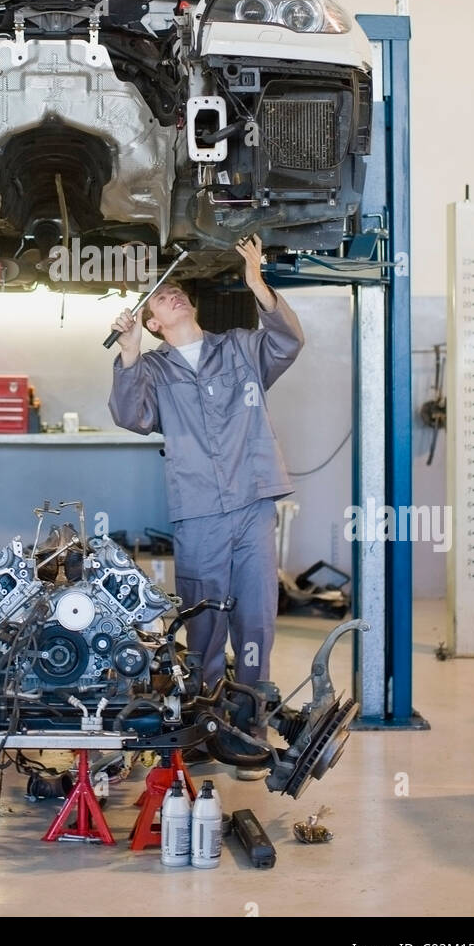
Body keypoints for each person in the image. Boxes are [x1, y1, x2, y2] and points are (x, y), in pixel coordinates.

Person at [108, 236, 304, 770]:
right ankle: (202, 723)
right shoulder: (152, 369)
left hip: (253, 502)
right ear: (152, 324)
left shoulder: (240, 347)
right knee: (204, 620)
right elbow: (132, 416)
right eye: (158, 298)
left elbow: (287, 343)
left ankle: (251, 723)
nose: (170, 293)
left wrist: (257, 282)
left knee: (257, 619)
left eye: (175, 289)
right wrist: (129, 353)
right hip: (197, 510)